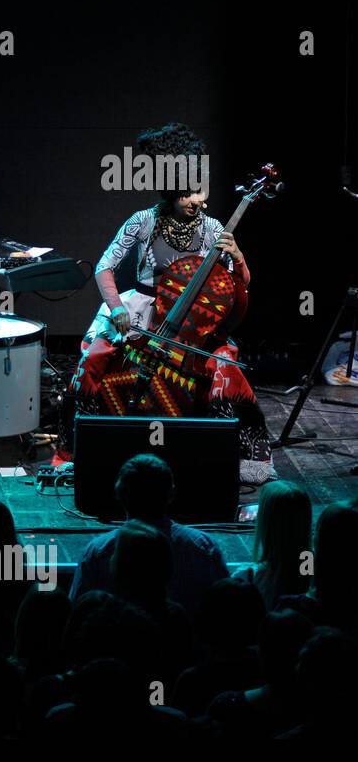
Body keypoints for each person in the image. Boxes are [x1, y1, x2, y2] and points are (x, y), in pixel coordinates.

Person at [59, 123, 275, 484]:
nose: (199, 200)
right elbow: (104, 267)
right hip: (142, 312)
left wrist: (237, 257)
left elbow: (240, 287)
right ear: (172, 192)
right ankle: (72, 452)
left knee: (226, 367)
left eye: (201, 191)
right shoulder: (143, 221)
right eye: (189, 194)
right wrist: (117, 309)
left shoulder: (212, 228)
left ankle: (245, 456)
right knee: (94, 359)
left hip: (192, 321)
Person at [70, 454, 229, 614]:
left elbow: (76, 616)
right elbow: (225, 613)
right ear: (171, 494)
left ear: (119, 494)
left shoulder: (97, 552)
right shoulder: (204, 547)